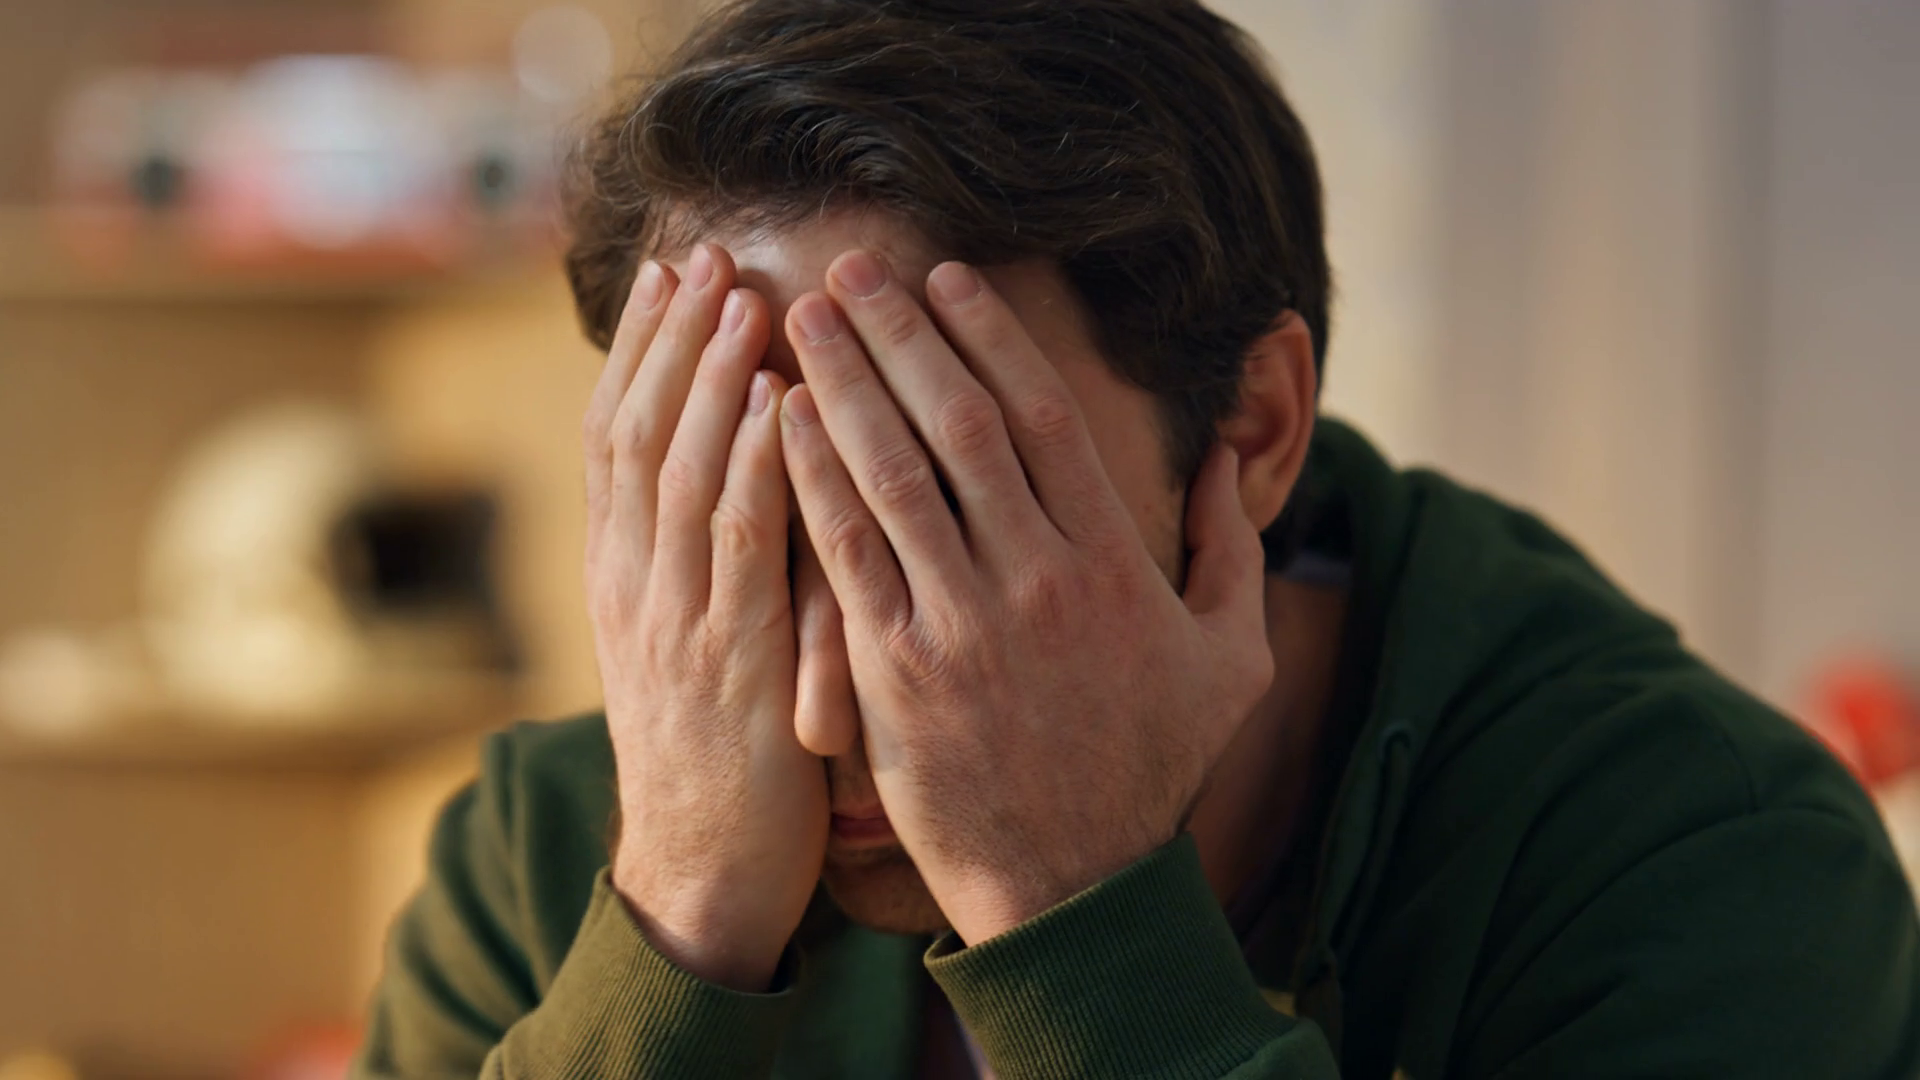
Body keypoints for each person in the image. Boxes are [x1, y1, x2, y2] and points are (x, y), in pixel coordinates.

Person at [351, 0, 1920, 1076]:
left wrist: (1079, 925)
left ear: (1251, 431)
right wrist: (673, 947)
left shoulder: (1702, 866)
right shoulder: (564, 857)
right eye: (738, 533)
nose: (824, 706)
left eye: (941, 523)